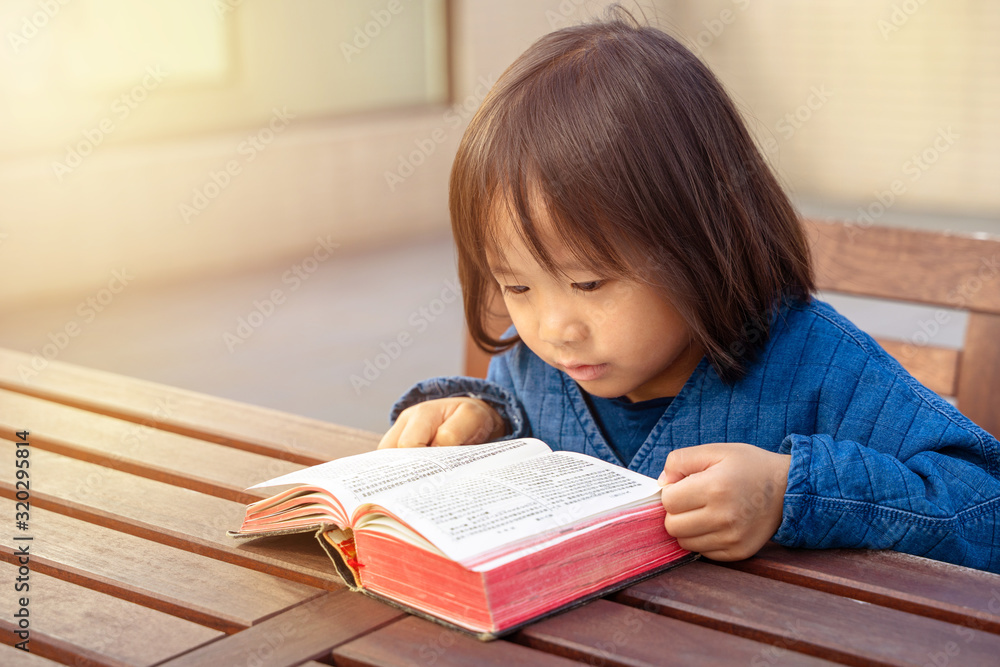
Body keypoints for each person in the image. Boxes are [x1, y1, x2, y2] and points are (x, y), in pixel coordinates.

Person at [377, 12, 1000, 572]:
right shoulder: (529, 373)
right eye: (516, 286)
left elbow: (985, 508)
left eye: (589, 282)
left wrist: (790, 493)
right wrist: (478, 422)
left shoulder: (816, 365)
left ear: (701, 240)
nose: (554, 328)